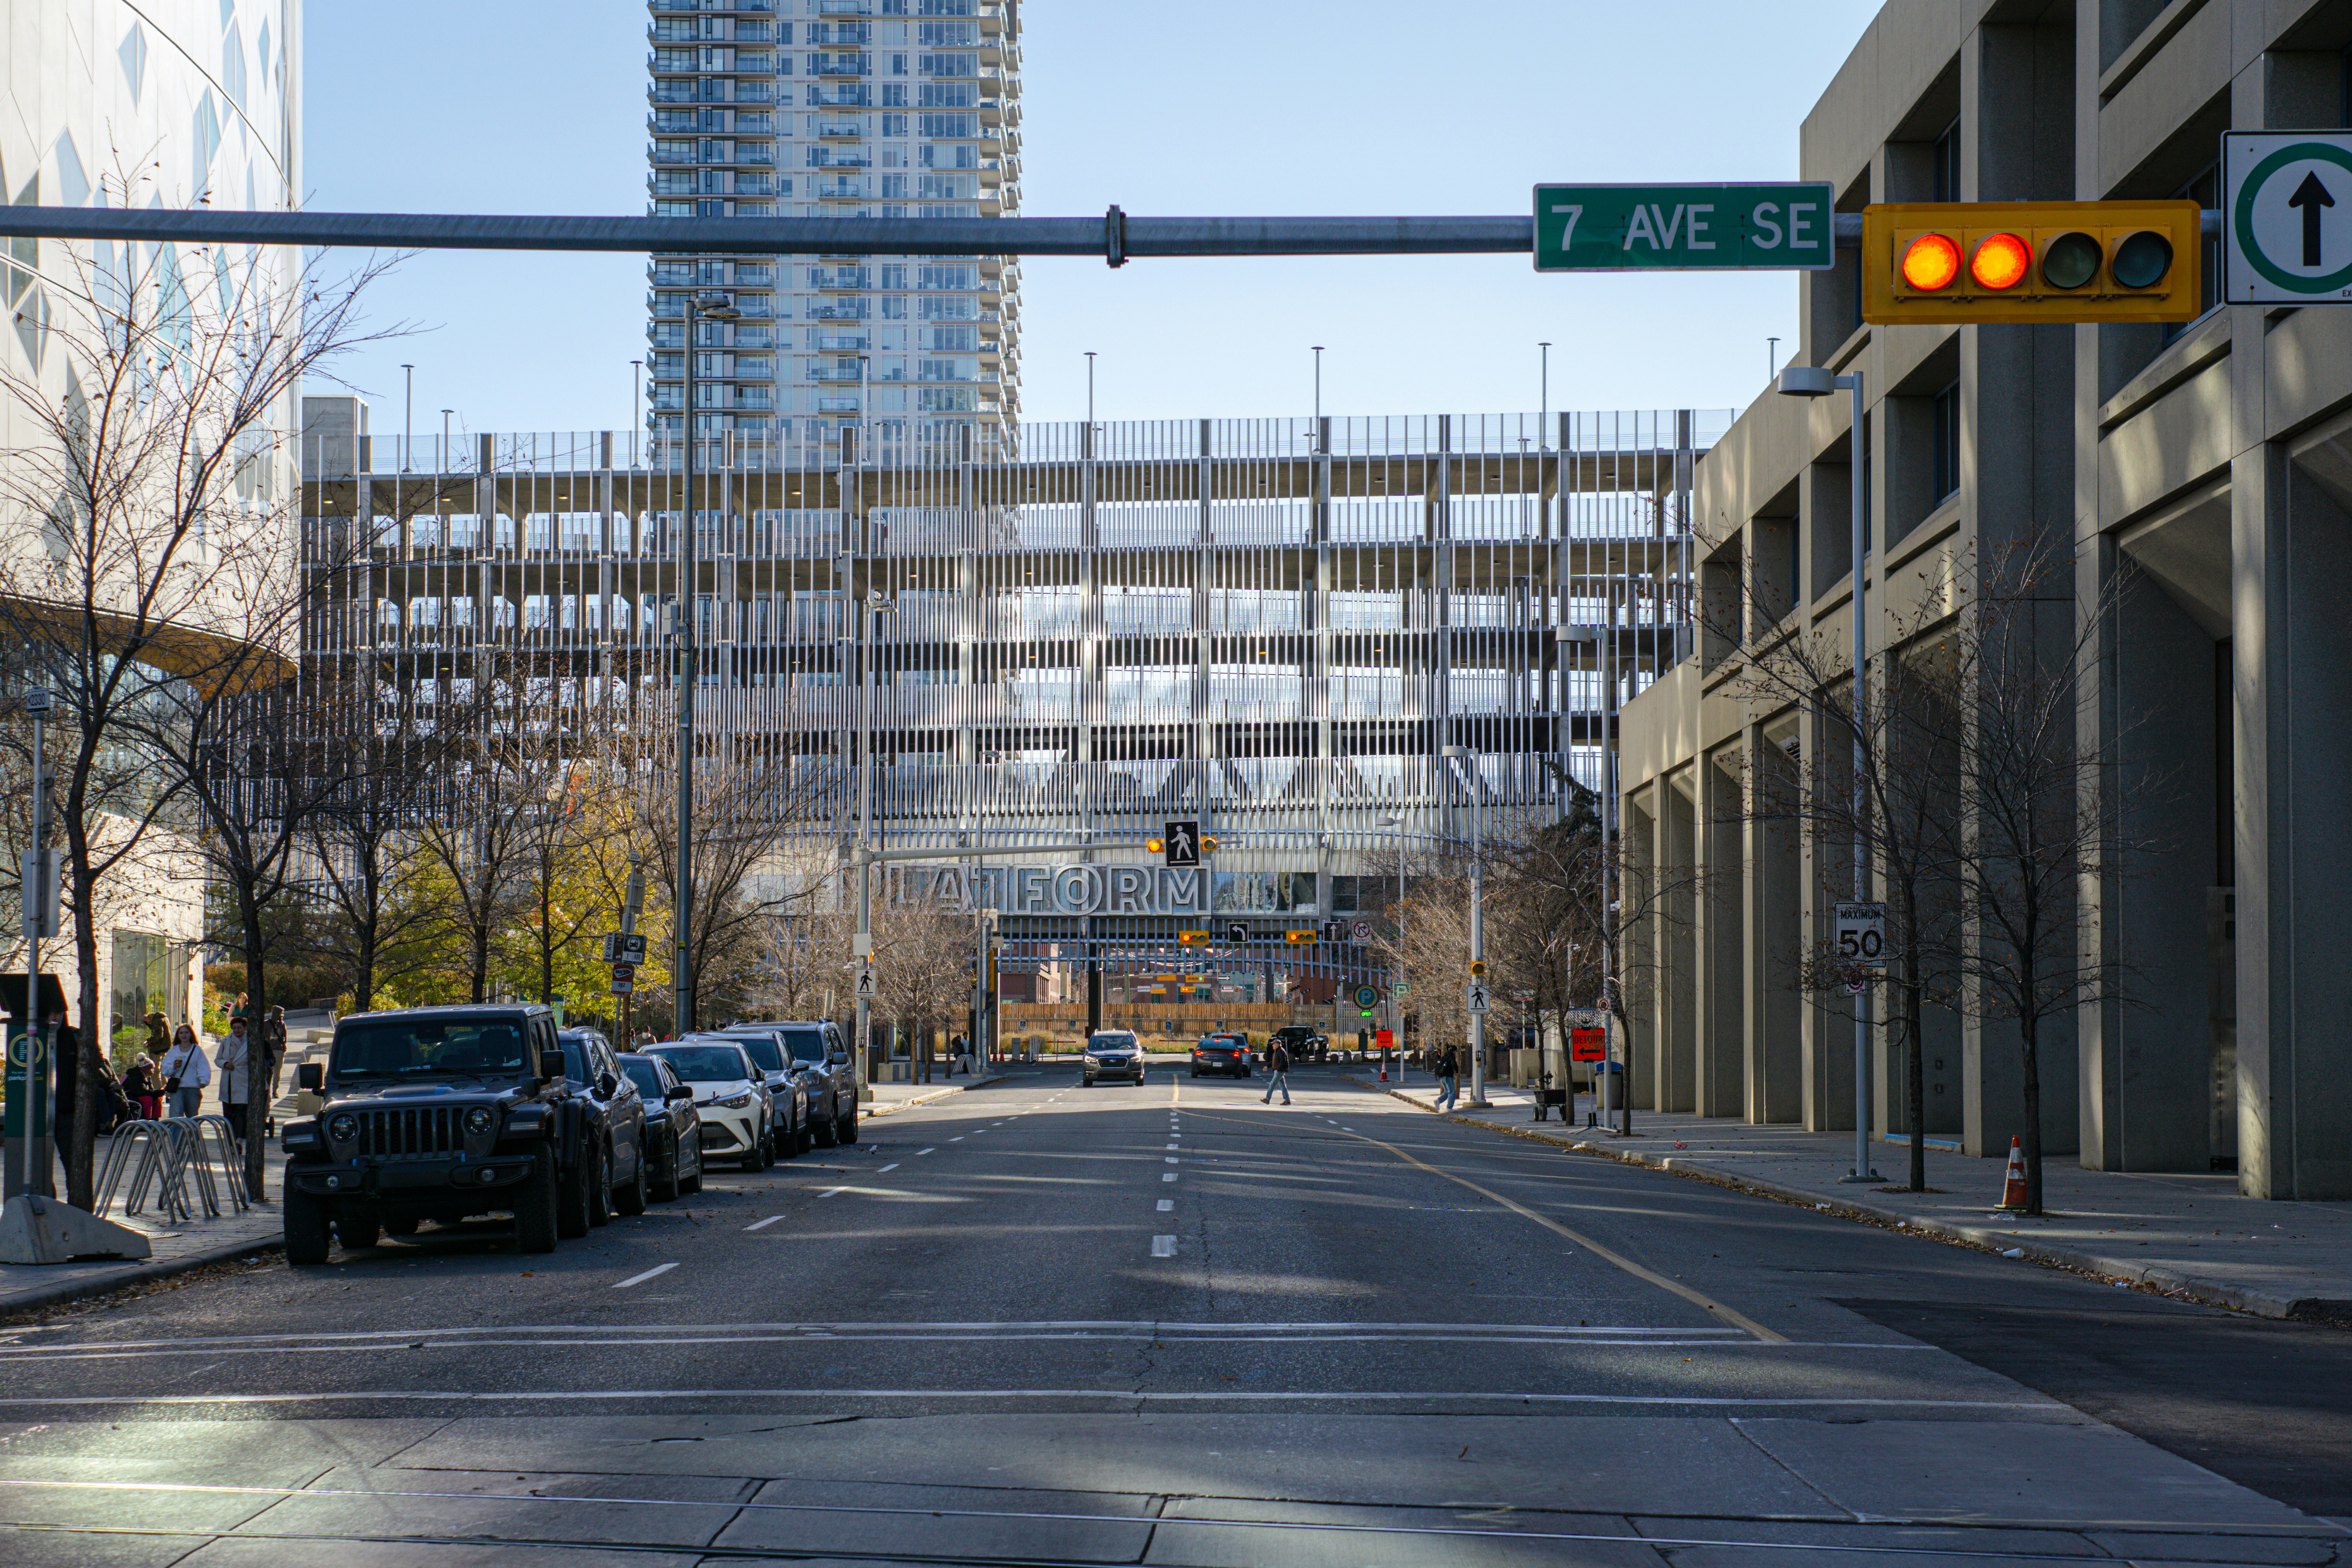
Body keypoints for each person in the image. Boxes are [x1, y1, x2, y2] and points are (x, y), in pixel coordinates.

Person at [161, 1021, 212, 1119]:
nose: (184, 1035)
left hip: (193, 1088)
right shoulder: (174, 1051)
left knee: (192, 1117)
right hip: (177, 1088)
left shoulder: (197, 1050)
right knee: (176, 1117)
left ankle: (193, 1134)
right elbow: (166, 1070)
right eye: (181, 1033)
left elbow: (203, 1066)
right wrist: (174, 1067)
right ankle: (176, 1135)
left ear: (191, 1034)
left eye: (186, 1033)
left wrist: (204, 1080)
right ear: (178, 1036)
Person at [215, 1019, 251, 1140]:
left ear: (245, 1028)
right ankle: (231, 1139)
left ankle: (239, 1139)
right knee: (229, 1113)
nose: (237, 1030)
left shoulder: (251, 1041)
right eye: (234, 1028)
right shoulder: (226, 1041)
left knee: (241, 1112)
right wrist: (225, 1064)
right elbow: (218, 1059)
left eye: (239, 1028)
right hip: (229, 1081)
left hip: (243, 1081)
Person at [121, 1040, 166, 1122]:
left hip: (139, 1094)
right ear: (144, 1069)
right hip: (131, 1096)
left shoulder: (147, 1076)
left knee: (157, 1098)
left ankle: (155, 1120)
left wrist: (158, 1093)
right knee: (148, 1098)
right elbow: (140, 1092)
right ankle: (146, 1119)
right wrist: (157, 1093)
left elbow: (150, 1090)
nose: (153, 1070)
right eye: (151, 1068)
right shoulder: (136, 1076)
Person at [1261, 1036, 1293, 1106]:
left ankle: (1267, 1099)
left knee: (1272, 1084)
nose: (1273, 1045)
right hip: (1278, 1071)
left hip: (1279, 1072)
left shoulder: (1281, 1051)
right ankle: (1287, 1101)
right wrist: (1267, 1066)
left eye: (1274, 1044)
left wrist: (1278, 1070)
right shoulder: (1277, 1052)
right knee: (1283, 1087)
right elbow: (1273, 1061)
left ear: (1278, 1045)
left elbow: (1283, 1062)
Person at [1434, 1043, 1460, 1112]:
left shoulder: (1445, 1056)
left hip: (1442, 1077)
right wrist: (1457, 1070)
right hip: (1448, 1077)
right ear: (1454, 1051)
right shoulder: (1451, 1057)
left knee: (1447, 1092)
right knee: (1452, 1093)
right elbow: (1454, 1064)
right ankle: (1449, 1108)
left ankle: (1438, 1101)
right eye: (1455, 1052)